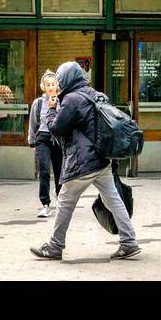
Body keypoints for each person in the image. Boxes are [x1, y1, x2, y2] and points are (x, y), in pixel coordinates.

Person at [30, 60, 140, 261]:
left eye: (60, 80)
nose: (59, 85)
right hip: (102, 159)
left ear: (67, 79)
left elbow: (56, 128)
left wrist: (52, 109)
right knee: (113, 199)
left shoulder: (72, 100)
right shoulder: (96, 94)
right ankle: (129, 242)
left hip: (82, 163)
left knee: (65, 200)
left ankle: (55, 246)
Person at [27, 70, 62, 218]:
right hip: (42, 138)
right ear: (43, 87)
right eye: (48, 85)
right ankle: (45, 204)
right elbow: (33, 122)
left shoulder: (63, 101)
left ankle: (60, 199)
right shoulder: (39, 102)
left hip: (58, 139)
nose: (51, 87)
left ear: (57, 86)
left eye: (53, 84)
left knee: (60, 172)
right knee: (44, 171)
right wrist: (31, 138)